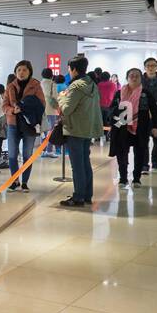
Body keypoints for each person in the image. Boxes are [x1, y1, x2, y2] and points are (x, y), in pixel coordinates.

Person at [57, 55, 102, 209]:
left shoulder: (76, 86)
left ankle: (78, 197)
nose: (69, 71)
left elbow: (66, 109)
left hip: (75, 129)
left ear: (74, 69)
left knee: (77, 165)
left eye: (69, 68)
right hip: (87, 129)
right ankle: (86, 195)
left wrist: (61, 97)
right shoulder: (92, 85)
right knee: (85, 163)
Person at [108, 67, 157, 187]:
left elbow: (154, 111)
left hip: (141, 128)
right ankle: (123, 178)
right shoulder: (119, 93)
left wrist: (156, 126)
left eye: (137, 76)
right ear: (127, 78)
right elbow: (111, 109)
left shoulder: (145, 94)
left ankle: (136, 178)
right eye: (132, 75)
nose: (134, 78)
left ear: (141, 78)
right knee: (122, 154)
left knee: (140, 152)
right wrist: (117, 112)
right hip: (122, 128)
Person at [2, 60, 46, 191]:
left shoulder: (35, 85)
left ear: (30, 71)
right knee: (12, 154)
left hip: (29, 124)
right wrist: (12, 110)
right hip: (13, 123)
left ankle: (25, 182)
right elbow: (4, 106)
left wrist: (25, 108)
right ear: (15, 72)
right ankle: (15, 180)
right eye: (19, 70)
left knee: (27, 154)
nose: (21, 72)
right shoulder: (10, 86)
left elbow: (42, 104)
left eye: (24, 70)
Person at [39, 68, 62, 157]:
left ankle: (42, 150)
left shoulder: (39, 84)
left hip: (41, 110)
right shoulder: (53, 84)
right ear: (51, 75)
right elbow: (56, 97)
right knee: (51, 131)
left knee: (43, 130)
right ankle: (49, 150)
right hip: (51, 110)